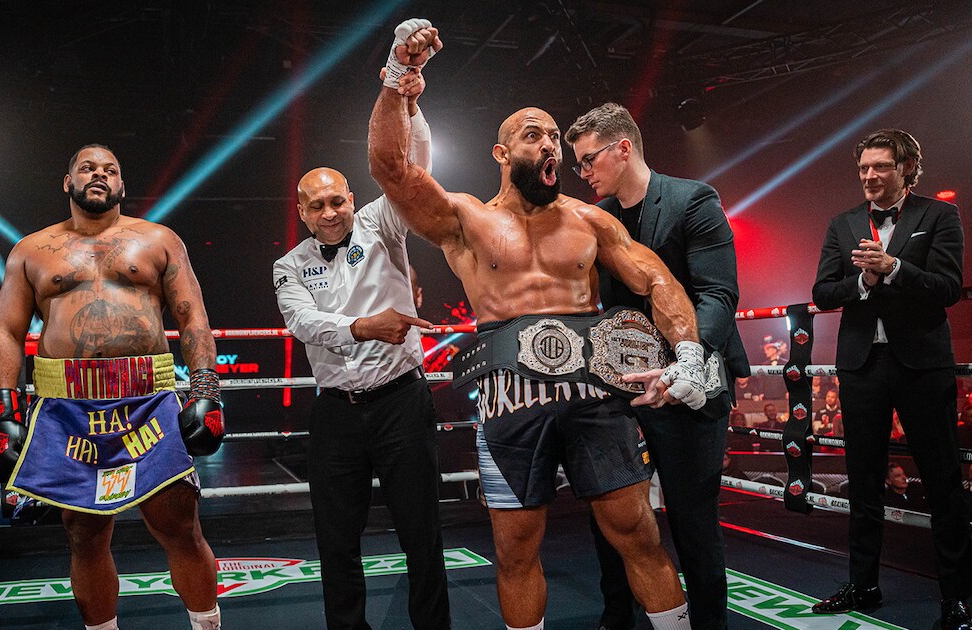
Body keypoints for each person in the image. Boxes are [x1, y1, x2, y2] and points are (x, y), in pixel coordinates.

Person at [369, 21, 706, 630]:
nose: (550, 145)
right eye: (535, 136)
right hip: (509, 396)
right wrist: (398, 78)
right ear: (503, 154)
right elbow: (392, 169)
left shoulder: (589, 221)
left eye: (555, 136)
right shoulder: (465, 218)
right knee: (516, 549)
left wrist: (687, 359)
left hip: (595, 393)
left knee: (639, 533)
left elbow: (655, 278)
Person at [0, 144, 225, 630]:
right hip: (67, 405)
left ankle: (207, 626)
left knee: (179, 523)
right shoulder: (31, 250)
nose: (99, 175)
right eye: (87, 168)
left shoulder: (158, 240)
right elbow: (7, 331)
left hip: (148, 398)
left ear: (122, 186)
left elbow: (191, 316)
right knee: (83, 534)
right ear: (67, 181)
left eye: (110, 169)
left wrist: (206, 391)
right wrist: (1, 411)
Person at [272, 67, 452, 630]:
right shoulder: (288, 265)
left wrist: (412, 106)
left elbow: (414, 171)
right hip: (337, 414)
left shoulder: (381, 222)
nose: (329, 212)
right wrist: (362, 328)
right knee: (336, 541)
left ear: (352, 198)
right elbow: (302, 322)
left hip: (401, 401)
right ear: (301, 212)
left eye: (336, 200)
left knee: (422, 535)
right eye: (316, 205)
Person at [565, 101, 749, 630]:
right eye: (577, 164)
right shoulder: (596, 220)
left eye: (589, 160)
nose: (584, 172)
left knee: (692, 518)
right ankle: (616, 618)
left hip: (693, 380)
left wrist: (690, 361)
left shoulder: (693, 200)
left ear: (624, 148)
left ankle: (710, 624)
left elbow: (717, 292)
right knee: (616, 518)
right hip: (622, 384)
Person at [811, 129, 972, 628]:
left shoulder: (938, 215)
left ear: (906, 168)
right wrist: (863, 281)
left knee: (944, 482)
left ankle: (955, 598)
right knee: (863, 482)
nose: (870, 176)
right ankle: (863, 585)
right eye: (864, 168)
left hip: (922, 365)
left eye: (880, 167)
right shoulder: (842, 223)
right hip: (862, 366)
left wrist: (895, 267)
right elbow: (822, 291)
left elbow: (948, 287)